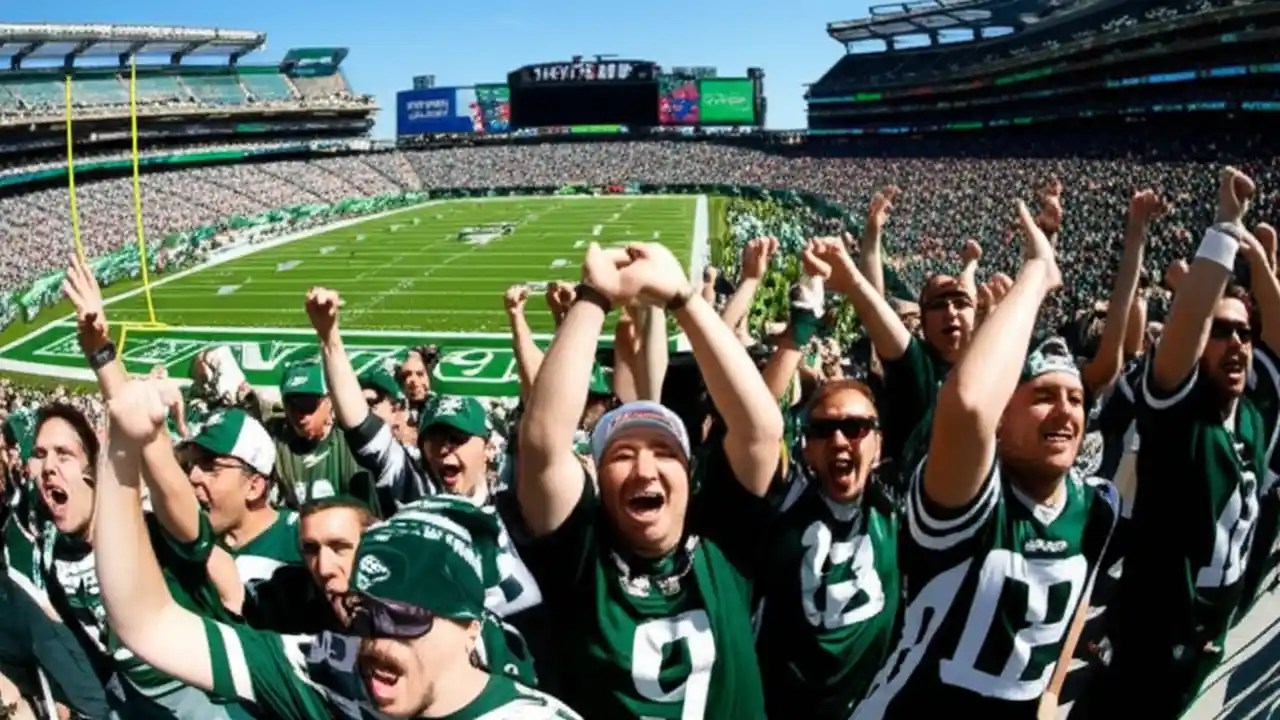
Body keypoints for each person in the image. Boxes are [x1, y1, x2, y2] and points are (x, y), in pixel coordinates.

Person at [91, 377, 579, 720]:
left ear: (472, 630)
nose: (376, 644)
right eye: (366, 614)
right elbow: (146, 622)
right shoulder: (337, 673)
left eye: (404, 618)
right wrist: (122, 447)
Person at [852, 201, 1119, 718]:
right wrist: (1037, 271)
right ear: (1003, 417)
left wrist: (1047, 695)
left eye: (1076, 399)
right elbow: (970, 405)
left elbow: (1071, 609)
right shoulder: (971, 501)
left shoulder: (1098, 507)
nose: (1064, 411)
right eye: (1043, 396)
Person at [517, 241, 784, 717]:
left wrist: (685, 298)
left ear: (689, 473)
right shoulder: (582, 559)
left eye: (664, 452)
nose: (644, 468)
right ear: (595, 479)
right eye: (622, 455)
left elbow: (761, 429)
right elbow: (541, 446)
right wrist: (593, 297)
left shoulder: (723, 545)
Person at [1099, 168, 1280, 717]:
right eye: (1220, 331)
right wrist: (1226, 228)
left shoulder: (1250, 418)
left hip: (1207, 632)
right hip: (1151, 642)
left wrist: (1266, 266)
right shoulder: (1181, 416)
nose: (1236, 343)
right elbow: (1182, 335)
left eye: (1244, 333)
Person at [179, 408, 301, 584]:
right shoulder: (188, 544)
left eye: (210, 466)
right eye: (191, 464)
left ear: (254, 487)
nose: (193, 477)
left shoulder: (302, 542)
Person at [269, 361, 381, 515]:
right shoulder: (277, 446)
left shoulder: (351, 444)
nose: (300, 414)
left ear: (328, 401)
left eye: (308, 404)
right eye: (291, 405)